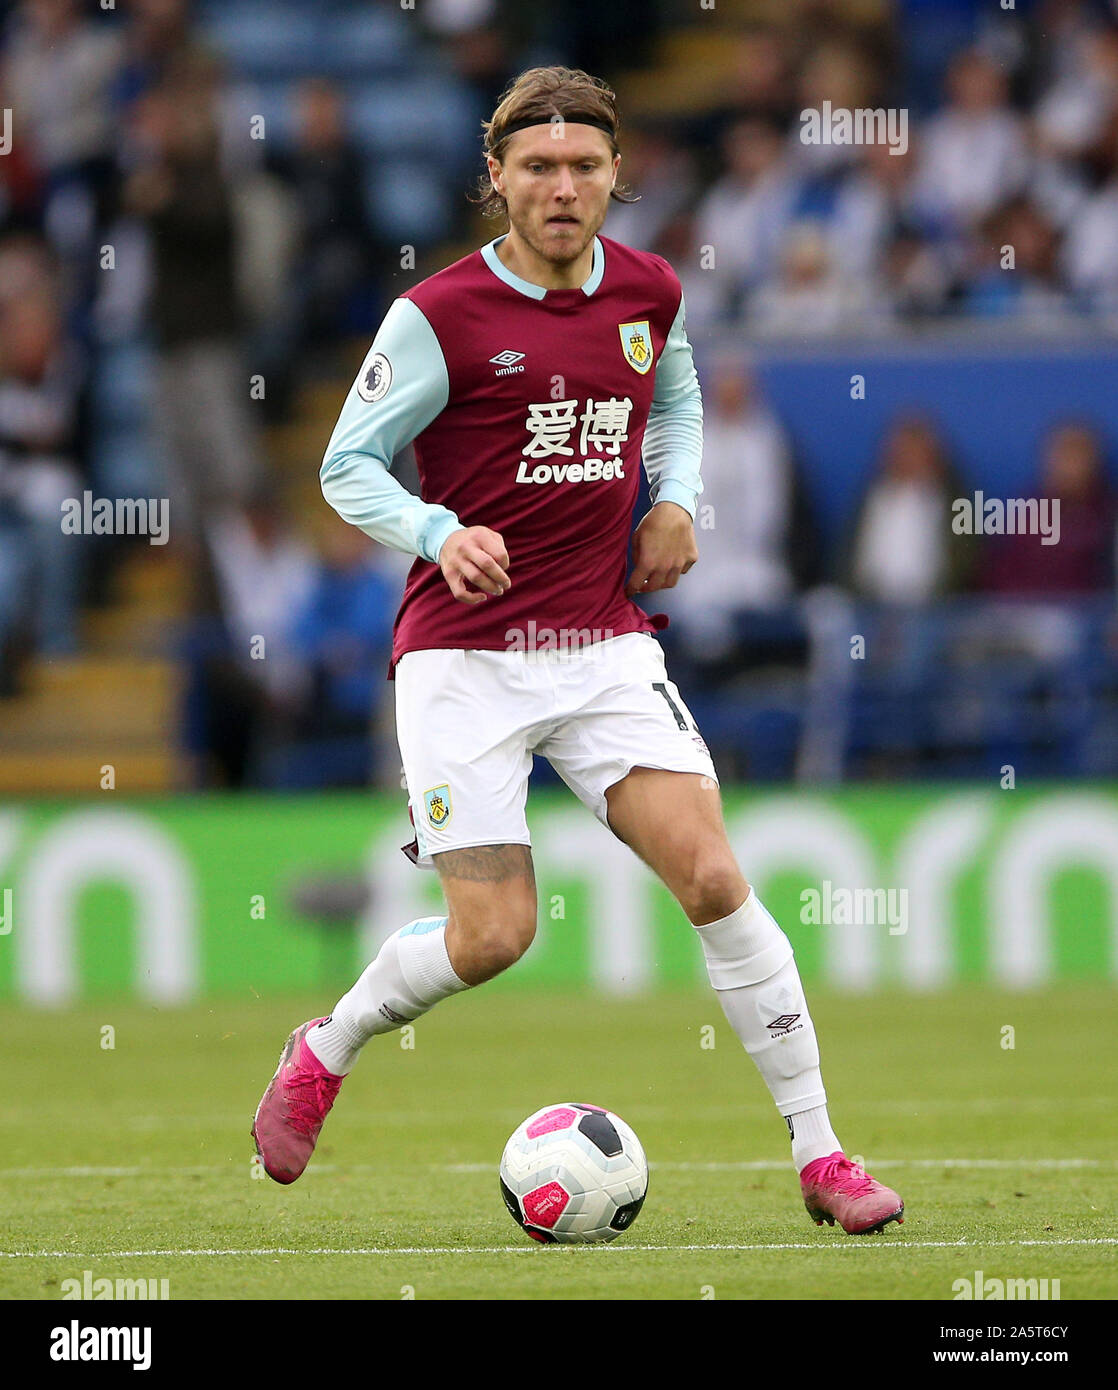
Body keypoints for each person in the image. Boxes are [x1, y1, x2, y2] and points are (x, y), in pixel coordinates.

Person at [251, 66, 903, 1237]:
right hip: (463, 654)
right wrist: (437, 531)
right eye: (538, 167)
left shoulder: (649, 292)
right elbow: (345, 462)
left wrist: (679, 498)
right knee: (493, 937)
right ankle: (328, 1042)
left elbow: (677, 399)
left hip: (599, 639)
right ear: (495, 177)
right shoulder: (439, 315)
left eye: (585, 167)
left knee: (710, 873)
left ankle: (821, 1154)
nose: (562, 188)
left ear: (617, 177)